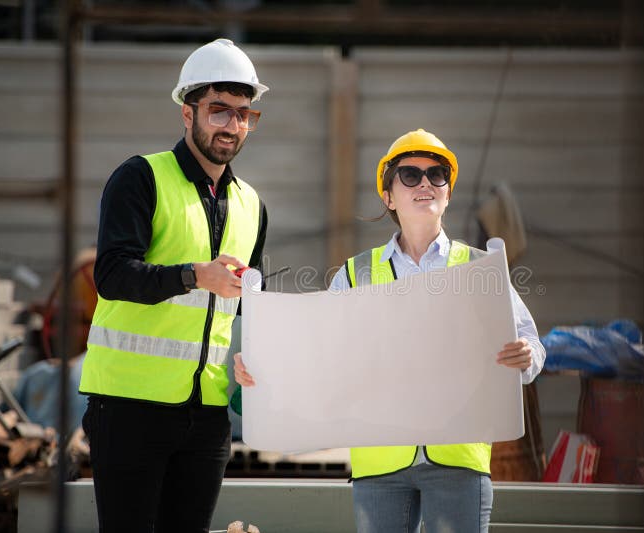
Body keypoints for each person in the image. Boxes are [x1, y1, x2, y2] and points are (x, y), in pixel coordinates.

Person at [234, 128, 545, 533]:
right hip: (380, 465)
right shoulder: (355, 273)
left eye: (436, 175)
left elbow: (532, 350)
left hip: (458, 460)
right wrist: (263, 367)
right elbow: (318, 355)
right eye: (410, 175)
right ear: (388, 195)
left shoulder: (479, 269)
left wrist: (525, 355)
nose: (425, 184)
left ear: (448, 193)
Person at [78, 38, 269, 533]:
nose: (233, 126)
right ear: (188, 113)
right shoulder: (140, 178)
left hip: (207, 413)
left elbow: (249, 302)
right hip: (129, 408)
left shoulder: (252, 204)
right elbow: (112, 274)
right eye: (219, 111)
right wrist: (191, 275)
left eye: (244, 114)